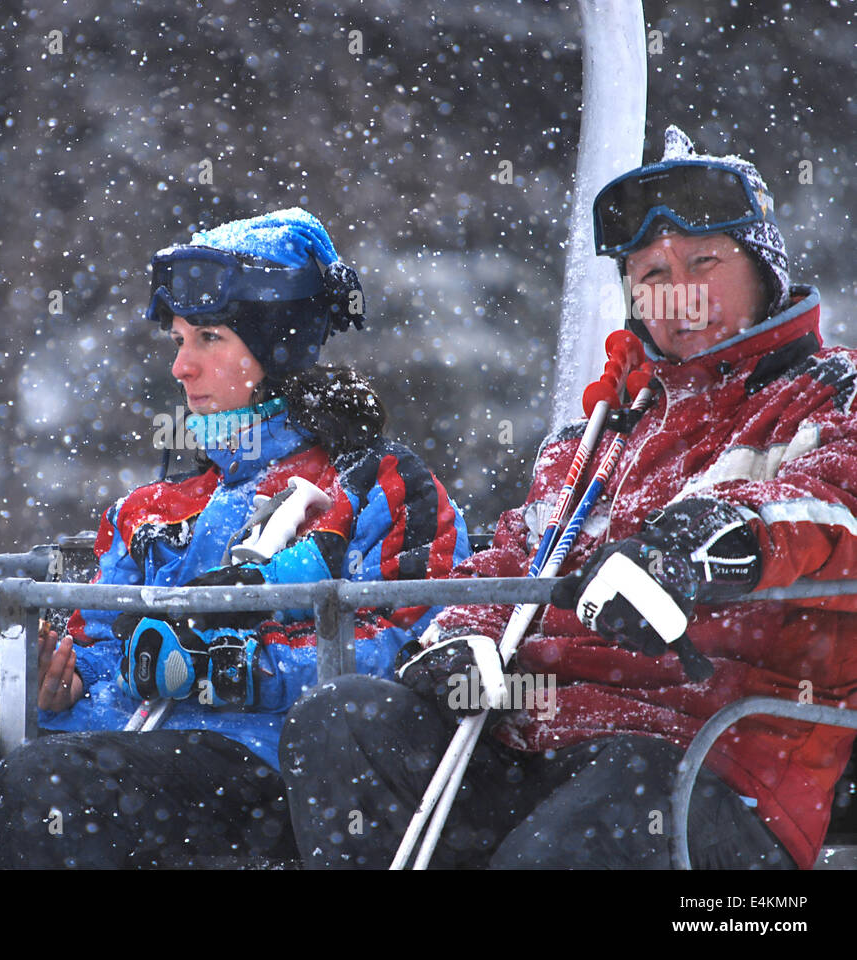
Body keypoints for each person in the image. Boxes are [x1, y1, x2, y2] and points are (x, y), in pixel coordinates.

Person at [281, 125, 857, 870]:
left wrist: (698, 544)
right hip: (534, 740)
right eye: (649, 275)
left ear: (764, 271)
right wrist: (458, 636)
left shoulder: (827, 394)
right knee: (342, 722)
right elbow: (517, 559)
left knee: (576, 835)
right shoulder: (600, 433)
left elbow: (830, 505)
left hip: (706, 760)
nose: (675, 291)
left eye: (703, 262)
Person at [0, 208, 469, 868]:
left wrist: (231, 671)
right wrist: (68, 680)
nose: (181, 368)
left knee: (50, 788)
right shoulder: (149, 509)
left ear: (274, 347)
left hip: (263, 766)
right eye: (177, 342)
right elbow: (103, 644)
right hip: (113, 747)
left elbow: (402, 651)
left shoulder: (373, 484)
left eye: (208, 339)